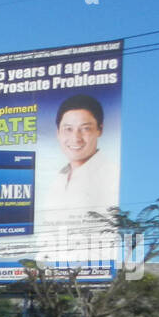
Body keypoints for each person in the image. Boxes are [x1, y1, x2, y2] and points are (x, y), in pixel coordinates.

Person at [45, 94, 119, 226]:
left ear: (99, 130)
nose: (76, 138)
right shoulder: (57, 179)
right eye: (68, 129)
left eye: (85, 129)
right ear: (58, 133)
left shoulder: (113, 176)